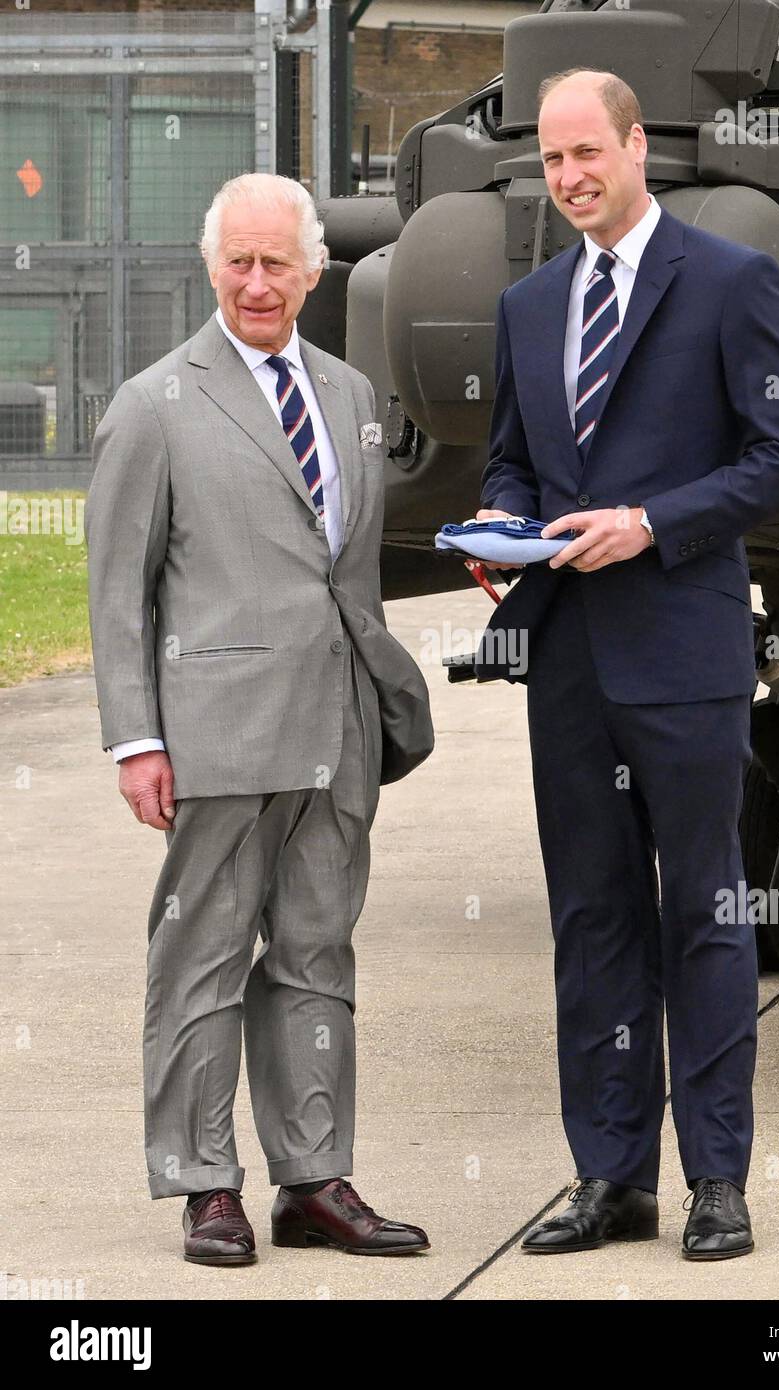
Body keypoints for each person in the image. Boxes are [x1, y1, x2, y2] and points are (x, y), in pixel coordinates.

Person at [476, 69, 779, 1259]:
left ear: (636, 147)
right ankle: (611, 1173)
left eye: (588, 153)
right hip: (569, 661)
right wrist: (501, 529)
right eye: (552, 160)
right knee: (594, 920)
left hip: (682, 652)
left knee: (707, 912)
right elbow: (513, 462)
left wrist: (652, 521)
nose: (568, 177)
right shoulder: (528, 306)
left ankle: (717, 1178)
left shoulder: (731, 282)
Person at [85, 172, 434, 1265]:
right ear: (210, 268)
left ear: (313, 270)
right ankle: (204, 1185)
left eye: (277, 262)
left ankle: (315, 1177)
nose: (256, 281)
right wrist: (136, 738)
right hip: (217, 734)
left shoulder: (351, 397)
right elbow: (117, 589)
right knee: (203, 959)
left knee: (318, 957)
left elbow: (352, 570)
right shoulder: (156, 405)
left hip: (336, 736)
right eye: (237, 260)